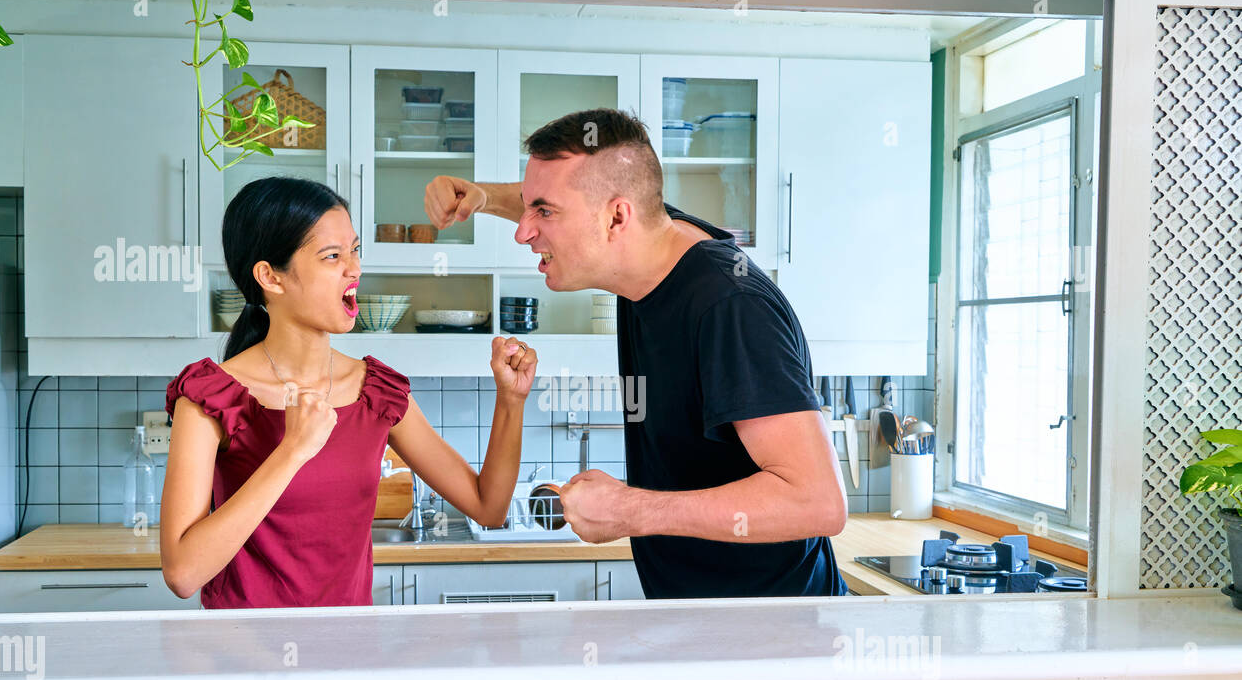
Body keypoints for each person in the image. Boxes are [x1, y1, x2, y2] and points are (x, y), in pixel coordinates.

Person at [423, 109, 847, 598]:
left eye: (543, 212)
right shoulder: (650, 244)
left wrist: (630, 510)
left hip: (773, 638)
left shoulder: (729, 306)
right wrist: (481, 198)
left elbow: (818, 502)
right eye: (527, 208)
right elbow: (601, 187)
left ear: (616, 218)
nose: (522, 231)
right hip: (702, 625)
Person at [161, 176, 537, 608]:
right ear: (271, 277)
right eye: (332, 256)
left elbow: (488, 507)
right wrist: (292, 451)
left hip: (349, 656)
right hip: (241, 663)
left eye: (355, 251)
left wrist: (511, 402)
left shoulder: (376, 391)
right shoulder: (212, 397)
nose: (354, 268)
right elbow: (183, 572)